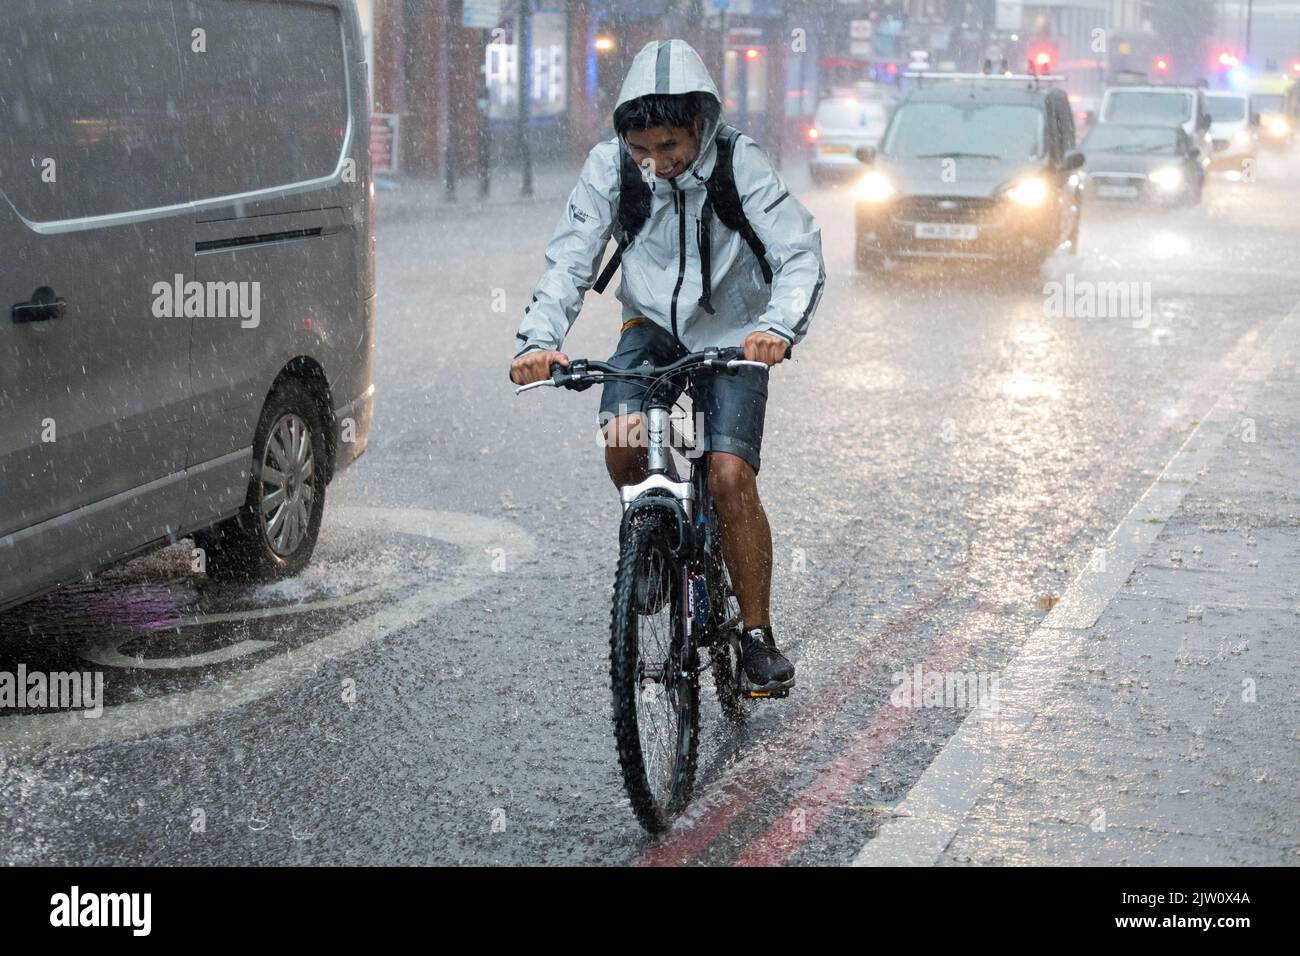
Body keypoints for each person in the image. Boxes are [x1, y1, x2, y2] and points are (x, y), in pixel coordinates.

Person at [509, 39, 825, 693]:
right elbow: (571, 255)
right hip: (649, 329)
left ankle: (758, 636)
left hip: (736, 334)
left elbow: (800, 252)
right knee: (623, 441)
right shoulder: (610, 167)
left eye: (670, 150)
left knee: (729, 472)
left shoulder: (741, 162)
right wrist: (539, 340)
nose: (655, 165)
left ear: (699, 127)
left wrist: (776, 328)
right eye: (642, 151)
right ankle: (649, 537)